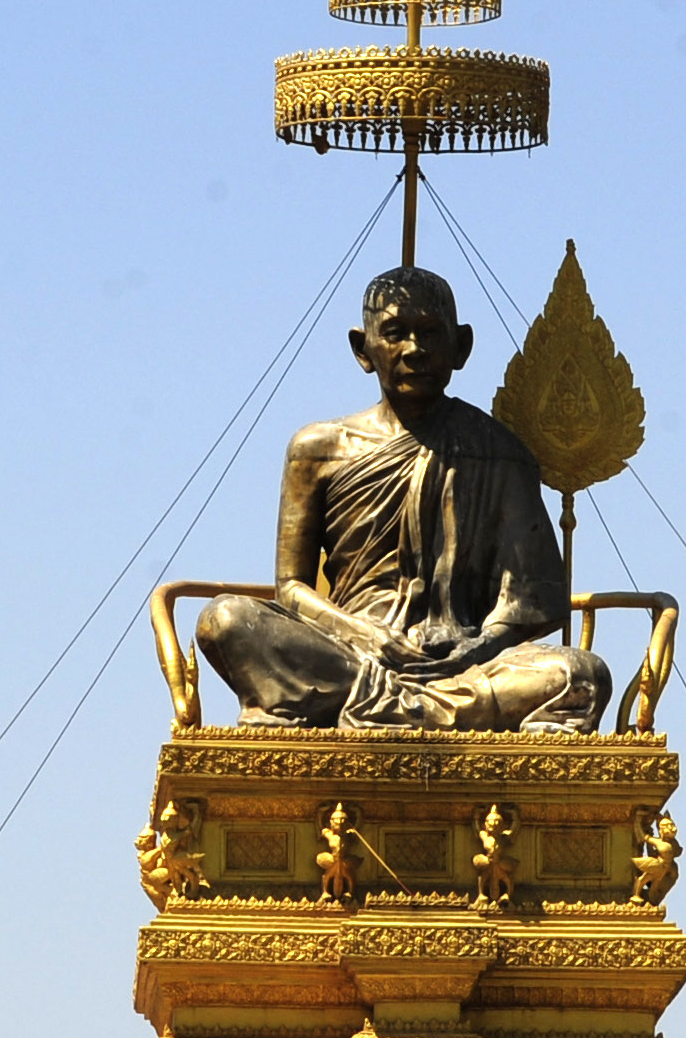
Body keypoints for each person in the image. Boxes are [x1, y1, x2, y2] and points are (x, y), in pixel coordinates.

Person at [195, 266, 610, 732]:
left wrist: (479, 646)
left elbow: (533, 598)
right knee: (226, 619)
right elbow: (290, 587)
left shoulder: (500, 453)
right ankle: (430, 711)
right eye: (395, 333)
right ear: (363, 348)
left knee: (580, 674)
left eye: (431, 334)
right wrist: (364, 635)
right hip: (349, 651)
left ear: (461, 347)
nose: (415, 350)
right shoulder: (317, 448)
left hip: (463, 662)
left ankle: (386, 706)